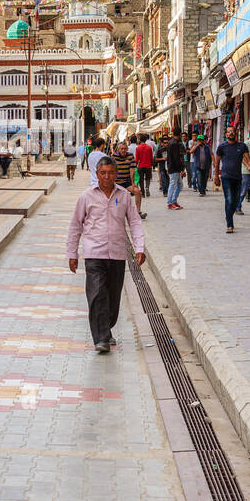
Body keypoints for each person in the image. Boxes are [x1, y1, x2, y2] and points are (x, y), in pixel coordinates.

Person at [66, 156, 146, 355]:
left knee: (113, 298)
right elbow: (76, 225)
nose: (107, 177)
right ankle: (101, 338)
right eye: (103, 173)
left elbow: (134, 222)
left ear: (116, 174)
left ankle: (106, 327)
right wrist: (72, 253)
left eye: (111, 173)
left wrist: (139, 247)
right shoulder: (86, 197)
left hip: (118, 254)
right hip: (94, 253)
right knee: (96, 295)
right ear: (97, 174)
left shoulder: (125, 196)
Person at [213, 126, 250, 234]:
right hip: (226, 177)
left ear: (236, 133)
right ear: (226, 134)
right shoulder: (222, 147)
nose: (231, 133)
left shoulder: (242, 146)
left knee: (235, 201)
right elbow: (217, 162)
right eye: (229, 132)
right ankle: (230, 224)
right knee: (229, 199)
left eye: (233, 131)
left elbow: (248, 159)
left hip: (238, 178)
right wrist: (216, 176)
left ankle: (228, 215)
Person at [111, 138, 146, 220]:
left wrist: (133, 183)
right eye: (121, 149)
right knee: (116, 197)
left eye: (125, 149)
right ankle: (115, 213)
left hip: (126, 181)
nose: (123, 150)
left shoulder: (130, 156)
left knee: (138, 192)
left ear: (127, 149)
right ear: (118, 149)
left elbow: (132, 170)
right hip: (116, 182)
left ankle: (138, 212)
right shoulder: (113, 157)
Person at [165, 132, 186, 209]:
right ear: (179, 135)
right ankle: (169, 203)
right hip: (174, 168)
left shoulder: (172, 142)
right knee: (173, 185)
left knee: (179, 185)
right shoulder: (174, 143)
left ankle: (173, 201)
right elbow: (176, 158)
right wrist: (181, 169)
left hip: (173, 167)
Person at [134, 134, 154, 198]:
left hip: (141, 166)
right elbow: (151, 157)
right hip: (148, 165)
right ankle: (147, 187)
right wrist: (152, 164)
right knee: (148, 178)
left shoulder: (138, 148)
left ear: (140, 140)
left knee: (141, 180)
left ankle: (142, 193)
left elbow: (137, 159)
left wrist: (135, 165)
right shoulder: (149, 147)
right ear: (146, 140)